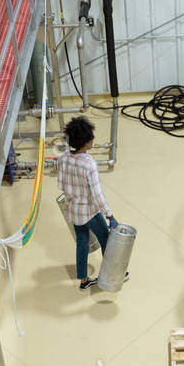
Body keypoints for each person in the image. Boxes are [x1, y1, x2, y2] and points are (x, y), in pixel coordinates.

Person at [57, 116, 125, 290]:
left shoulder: (63, 158)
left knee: (82, 241)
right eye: (91, 137)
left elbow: (60, 185)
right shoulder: (89, 165)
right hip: (90, 212)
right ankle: (113, 274)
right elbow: (97, 195)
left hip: (73, 210)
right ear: (86, 143)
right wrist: (110, 215)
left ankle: (84, 280)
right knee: (107, 240)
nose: (93, 139)